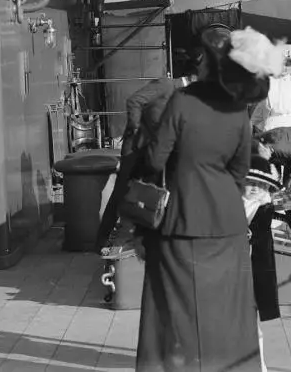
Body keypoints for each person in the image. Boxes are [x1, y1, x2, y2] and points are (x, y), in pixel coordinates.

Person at [136, 24, 277, 372]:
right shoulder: (238, 110)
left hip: (180, 223)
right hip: (227, 223)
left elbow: (155, 160)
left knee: (174, 311)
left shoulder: (182, 101)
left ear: (208, 65)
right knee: (226, 313)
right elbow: (240, 171)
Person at [97, 50, 201, 248]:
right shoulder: (165, 85)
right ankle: (102, 240)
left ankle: (142, 240)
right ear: (194, 77)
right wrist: (134, 127)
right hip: (136, 148)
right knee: (122, 192)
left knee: (152, 194)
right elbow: (134, 100)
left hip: (156, 152)